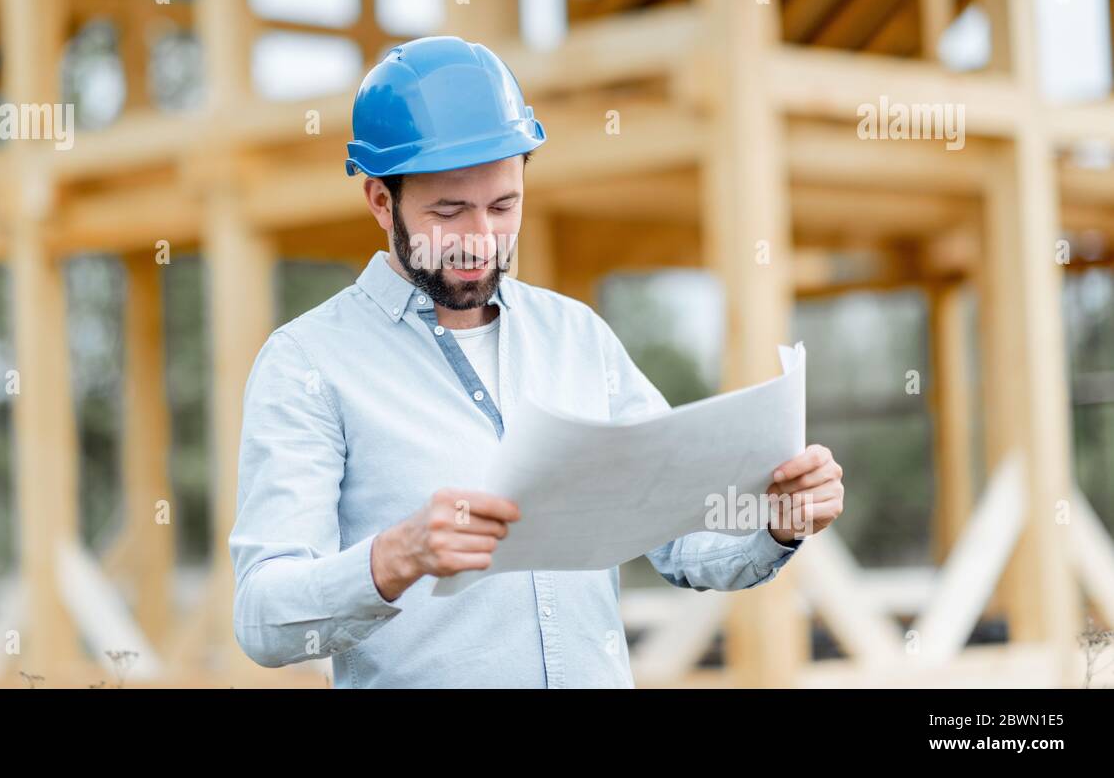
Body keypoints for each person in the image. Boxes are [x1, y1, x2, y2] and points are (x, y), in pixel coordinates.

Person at [229, 35, 844, 687]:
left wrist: (772, 525)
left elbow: (681, 538)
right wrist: (394, 556)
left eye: (504, 206)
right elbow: (261, 618)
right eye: (449, 212)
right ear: (381, 201)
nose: (482, 239)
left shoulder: (577, 336)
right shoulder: (308, 363)